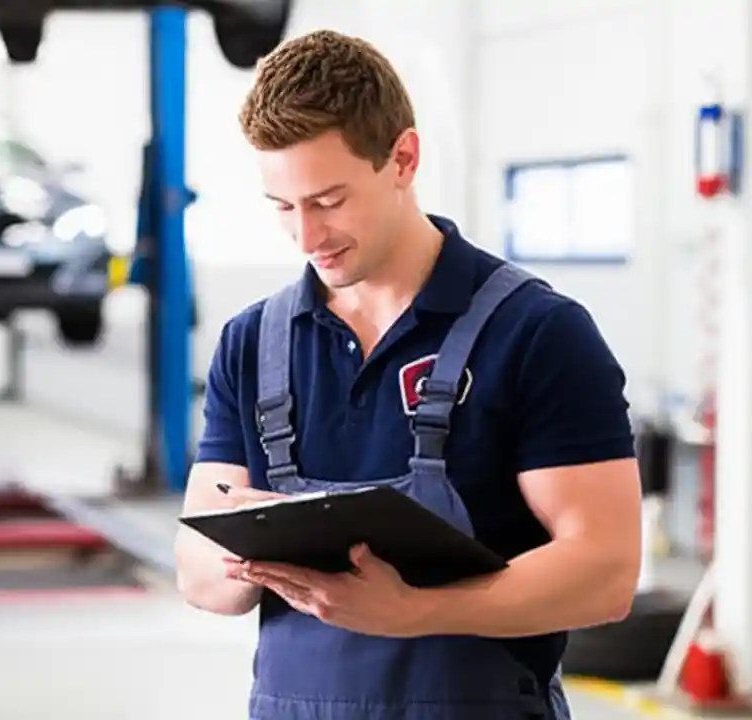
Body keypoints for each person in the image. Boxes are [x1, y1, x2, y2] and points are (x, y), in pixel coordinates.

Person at [173, 29, 643, 720]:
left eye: (329, 200)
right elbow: (198, 575)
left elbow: (604, 572)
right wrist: (244, 557)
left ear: (403, 158)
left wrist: (414, 611)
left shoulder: (537, 333)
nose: (307, 238)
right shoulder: (253, 344)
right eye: (283, 207)